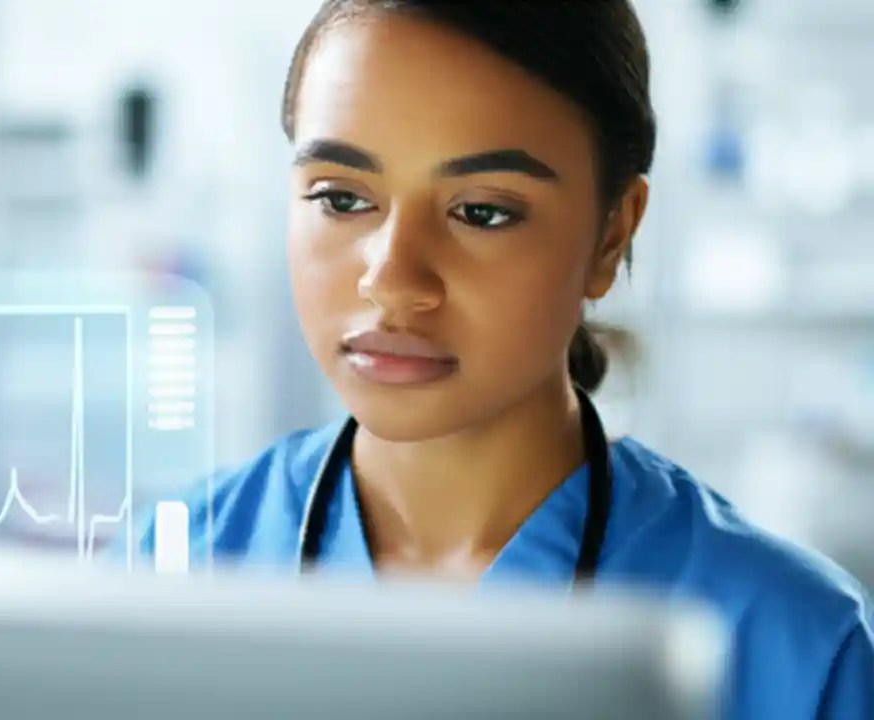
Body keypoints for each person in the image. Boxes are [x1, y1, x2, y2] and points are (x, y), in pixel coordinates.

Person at [131, 2, 873, 717]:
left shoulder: (790, 643)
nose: (391, 281)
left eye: (482, 212)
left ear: (612, 235)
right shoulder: (174, 568)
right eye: (341, 198)